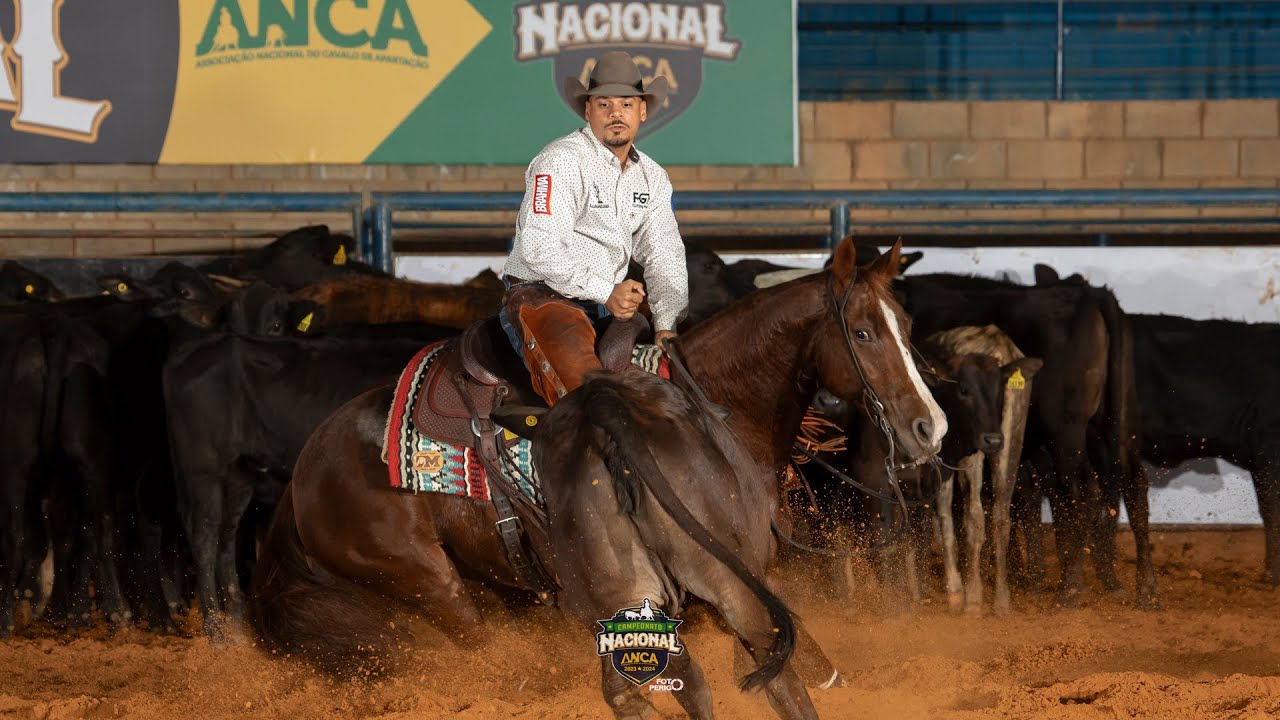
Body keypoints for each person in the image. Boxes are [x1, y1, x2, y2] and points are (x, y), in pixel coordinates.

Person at [500, 51, 689, 406]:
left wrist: (666, 323)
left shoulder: (653, 177)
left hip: (606, 304)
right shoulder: (560, 161)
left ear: (642, 112)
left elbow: (665, 252)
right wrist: (607, 291)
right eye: (604, 104)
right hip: (544, 297)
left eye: (626, 104)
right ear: (588, 112)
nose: (616, 113)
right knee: (589, 401)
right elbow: (540, 248)